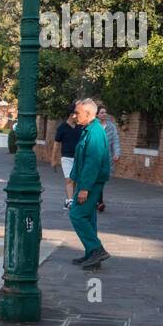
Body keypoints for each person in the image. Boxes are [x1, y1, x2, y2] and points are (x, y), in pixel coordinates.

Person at [68, 98, 111, 269]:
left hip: (91, 183)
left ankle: (96, 249)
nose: (74, 115)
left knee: (77, 215)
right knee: (89, 217)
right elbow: (81, 158)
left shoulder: (94, 133)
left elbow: (92, 163)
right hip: (87, 181)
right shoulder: (89, 130)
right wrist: (73, 178)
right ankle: (91, 256)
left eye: (77, 113)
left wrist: (84, 188)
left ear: (88, 114)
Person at [51, 108, 83, 208]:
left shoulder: (80, 127)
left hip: (78, 158)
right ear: (72, 115)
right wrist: (53, 159)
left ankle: (70, 199)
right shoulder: (62, 128)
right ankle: (70, 201)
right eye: (77, 114)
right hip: (66, 158)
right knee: (69, 179)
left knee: (75, 180)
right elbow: (56, 145)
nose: (79, 116)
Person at [95, 104, 120, 212]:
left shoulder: (111, 127)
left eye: (105, 112)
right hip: (94, 157)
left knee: (101, 179)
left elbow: (115, 141)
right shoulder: (93, 126)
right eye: (102, 112)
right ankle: (99, 202)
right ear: (96, 115)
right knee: (96, 178)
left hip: (107, 158)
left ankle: (97, 200)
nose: (104, 114)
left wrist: (117, 153)